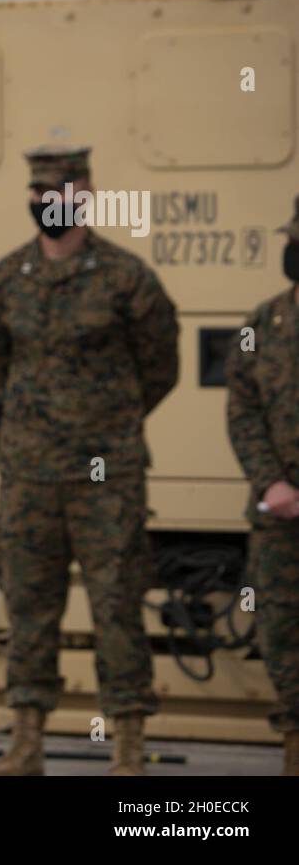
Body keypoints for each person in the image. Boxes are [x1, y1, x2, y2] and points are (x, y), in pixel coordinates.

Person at [0, 146, 179, 775]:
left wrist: (105, 424)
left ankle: (127, 746)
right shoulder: (5, 280)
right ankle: (27, 740)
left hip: (106, 474)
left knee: (117, 602)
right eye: (39, 192)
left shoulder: (127, 279)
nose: (48, 202)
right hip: (29, 474)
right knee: (30, 605)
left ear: (86, 195)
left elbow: (160, 369)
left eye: (61, 190)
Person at [225, 194, 299, 776]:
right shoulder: (264, 323)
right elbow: (243, 409)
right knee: (281, 629)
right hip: (282, 513)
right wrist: (270, 481)